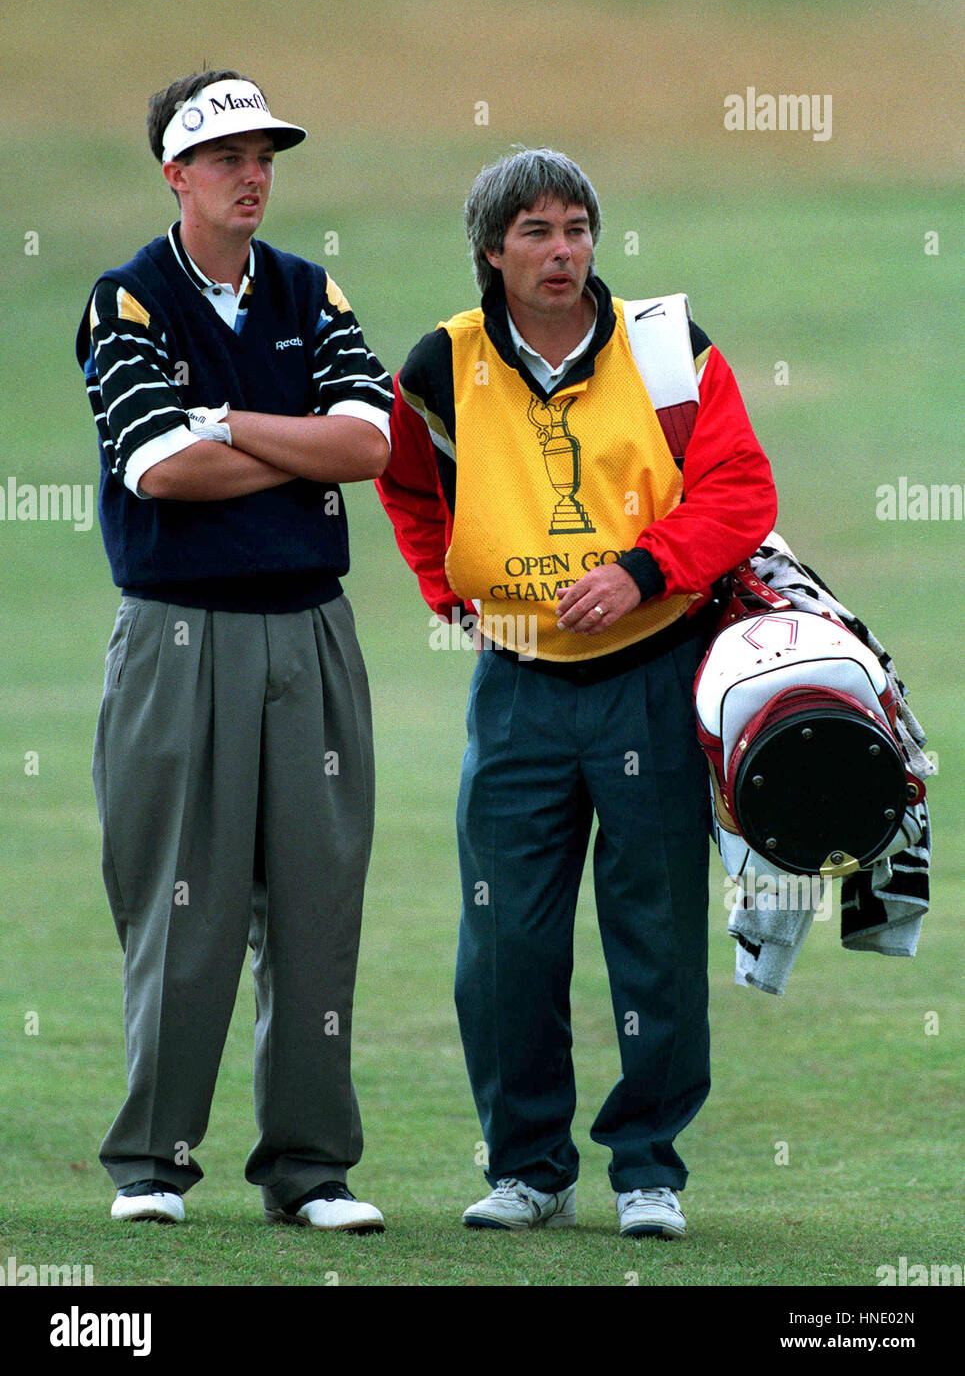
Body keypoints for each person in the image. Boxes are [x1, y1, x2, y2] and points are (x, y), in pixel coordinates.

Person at [377, 148, 778, 1238]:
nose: (561, 252)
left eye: (575, 229)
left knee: (652, 930)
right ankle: (527, 1167)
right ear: (490, 252)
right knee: (502, 937)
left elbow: (739, 488)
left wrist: (642, 569)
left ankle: (646, 1167)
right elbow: (409, 488)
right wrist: (451, 597)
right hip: (514, 690)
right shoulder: (437, 366)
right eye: (535, 234)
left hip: (652, 675)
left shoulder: (664, 350)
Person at [76, 70, 392, 1232]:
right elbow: (160, 466)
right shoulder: (129, 302)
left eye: (263, 157)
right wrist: (286, 447)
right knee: (181, 903)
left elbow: (367, 443)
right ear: (177, 174)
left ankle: (310, 1169)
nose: (251, 176)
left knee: (317, 903)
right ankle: (151, 1163)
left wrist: (228, 423)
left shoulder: (311, 292)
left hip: (310, 631)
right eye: (225, 159)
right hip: (178, 634)